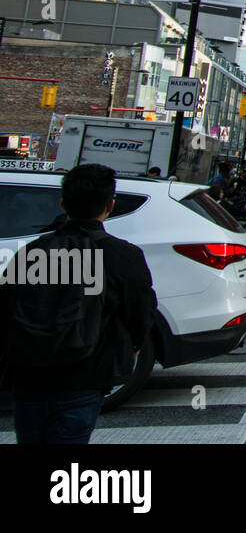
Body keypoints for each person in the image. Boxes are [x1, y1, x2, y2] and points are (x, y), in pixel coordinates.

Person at [0, 163, 157, 444]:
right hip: (86, 371)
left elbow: (5, 306)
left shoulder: (34, 251)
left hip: (29, 373)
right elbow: (140, 312)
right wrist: (132, 347)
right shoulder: (122, 255)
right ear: (110, 205)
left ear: (63, 203)